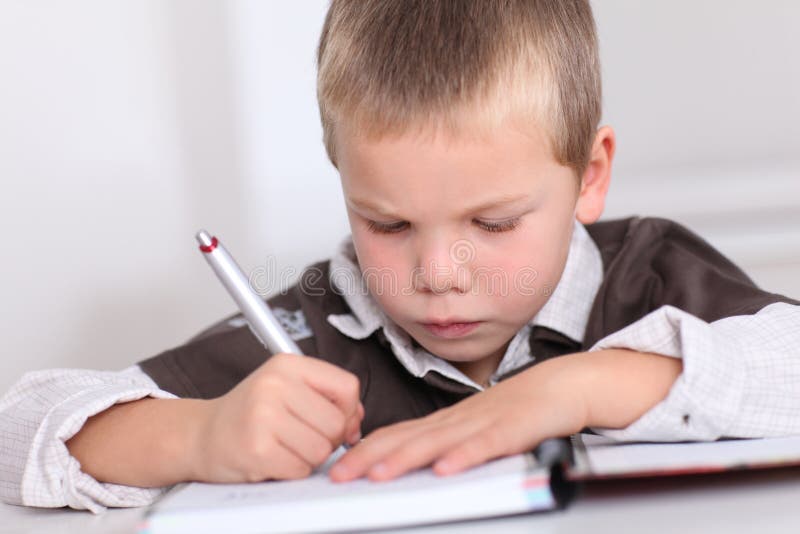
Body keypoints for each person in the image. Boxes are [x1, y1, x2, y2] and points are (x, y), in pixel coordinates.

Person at [2, 0, 799, 514]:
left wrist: (580, 385)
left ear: (590, 176)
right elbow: (16, 432)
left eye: (492, 223)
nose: (437, 273)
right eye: (387, 224)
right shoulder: (321, 318)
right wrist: (200, 436)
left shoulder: (653, 275)